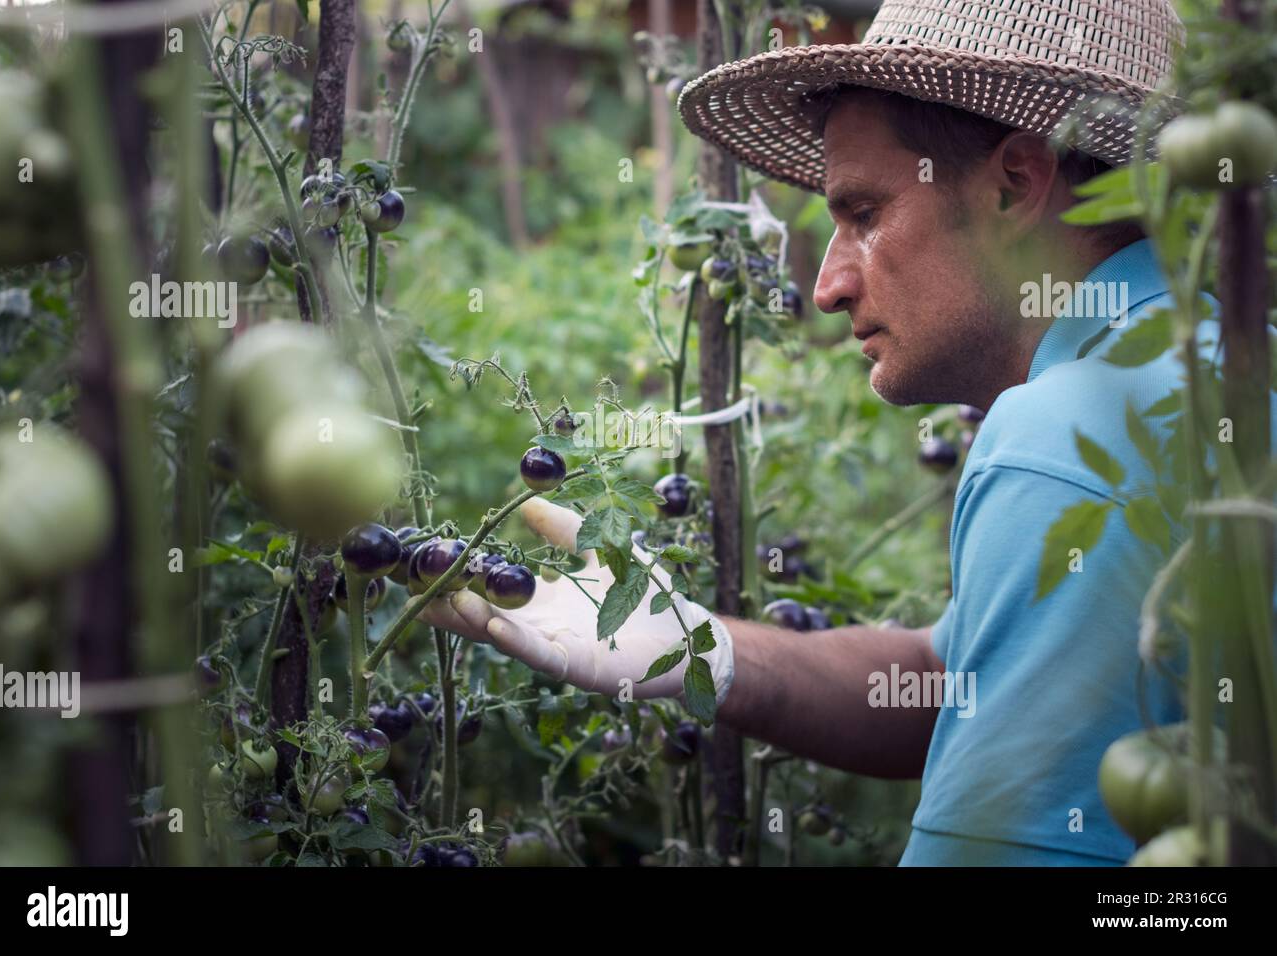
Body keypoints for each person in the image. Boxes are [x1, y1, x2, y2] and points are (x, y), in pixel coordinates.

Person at [424, 0, 1226, 865]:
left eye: (865, 213)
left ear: (1015, 184)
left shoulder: (1065, 439)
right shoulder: (1209, 369)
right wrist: (706, 652)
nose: (830, 284)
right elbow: (953, 680)